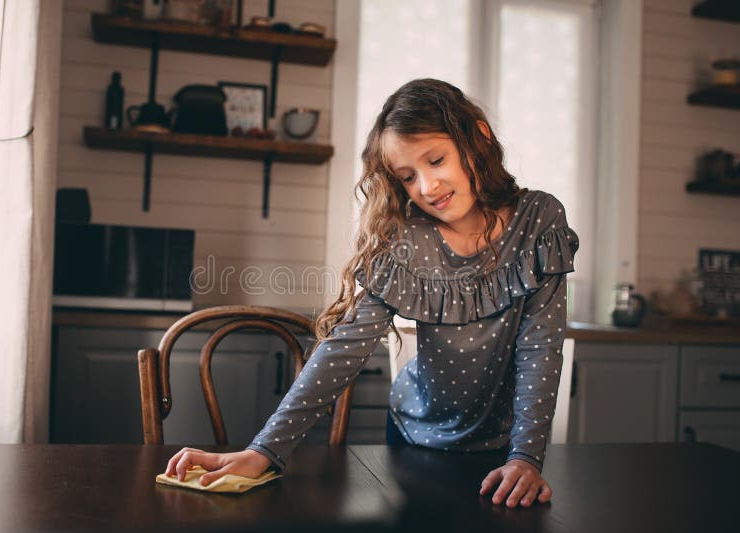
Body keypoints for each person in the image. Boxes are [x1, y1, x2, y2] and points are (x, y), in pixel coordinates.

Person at [165, 78, 579, 509]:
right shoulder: (408, 238)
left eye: (436, 160)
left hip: (503, 447)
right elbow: (343, 348)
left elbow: (541, 349)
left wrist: (527, 456)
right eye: (407, 177)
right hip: (412, 438)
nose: (426, 186)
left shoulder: (540, 220)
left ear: (478, 137)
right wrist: (263, 450)